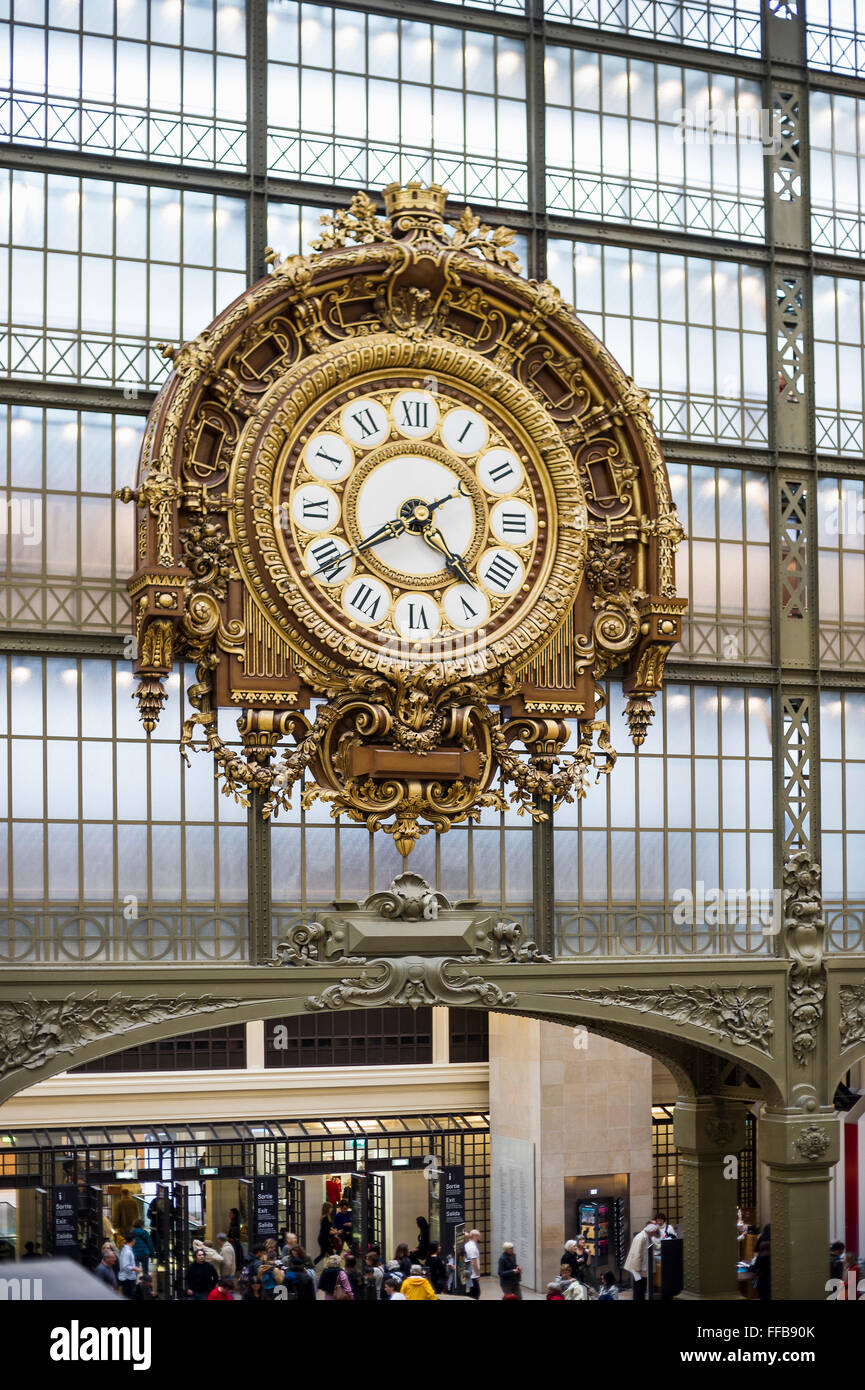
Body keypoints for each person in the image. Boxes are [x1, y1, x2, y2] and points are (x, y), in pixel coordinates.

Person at [624, 1223, 659, 1301]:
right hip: (637, 1268)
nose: (654, 1235)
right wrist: (637, 1269)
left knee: (642, 1287)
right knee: (638, 1287)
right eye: (654, 1232)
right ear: (651, 1231)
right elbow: (637, 1254)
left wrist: (664, 1243)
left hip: (642, 1267)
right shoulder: (641, 1238)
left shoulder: (648, 1237)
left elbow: (655, 1246)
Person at [463, 1229, 481, 1300]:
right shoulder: (472, 1247)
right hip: (473, 1273)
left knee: (472, 1292)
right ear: (475, 1236)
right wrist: (478, 1274)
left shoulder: (467, 1245)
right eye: (479, 1236)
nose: (479, 1238)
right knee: (476, 1293)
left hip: (468, 1271)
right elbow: (474, 1262)